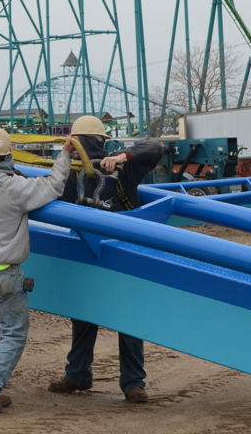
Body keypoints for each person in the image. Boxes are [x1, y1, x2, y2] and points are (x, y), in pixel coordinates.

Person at [49, 114, 165, 404]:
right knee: (117, 317)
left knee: (87, 316)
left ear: (73, 142)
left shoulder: (106, 169)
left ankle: (81, 375)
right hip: (120, 255)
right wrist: (124, 156)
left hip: (91, 253)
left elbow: (157, 147)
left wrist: (120, 157)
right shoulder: (79, 172)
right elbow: (156, 148)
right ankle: (130, 383)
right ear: (103, 139)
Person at [0, 126, 72, 414]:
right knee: (13, 334)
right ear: (8, 156)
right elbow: (53, 185)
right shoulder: (14, 188)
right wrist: (66, 154)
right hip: (6, 274)